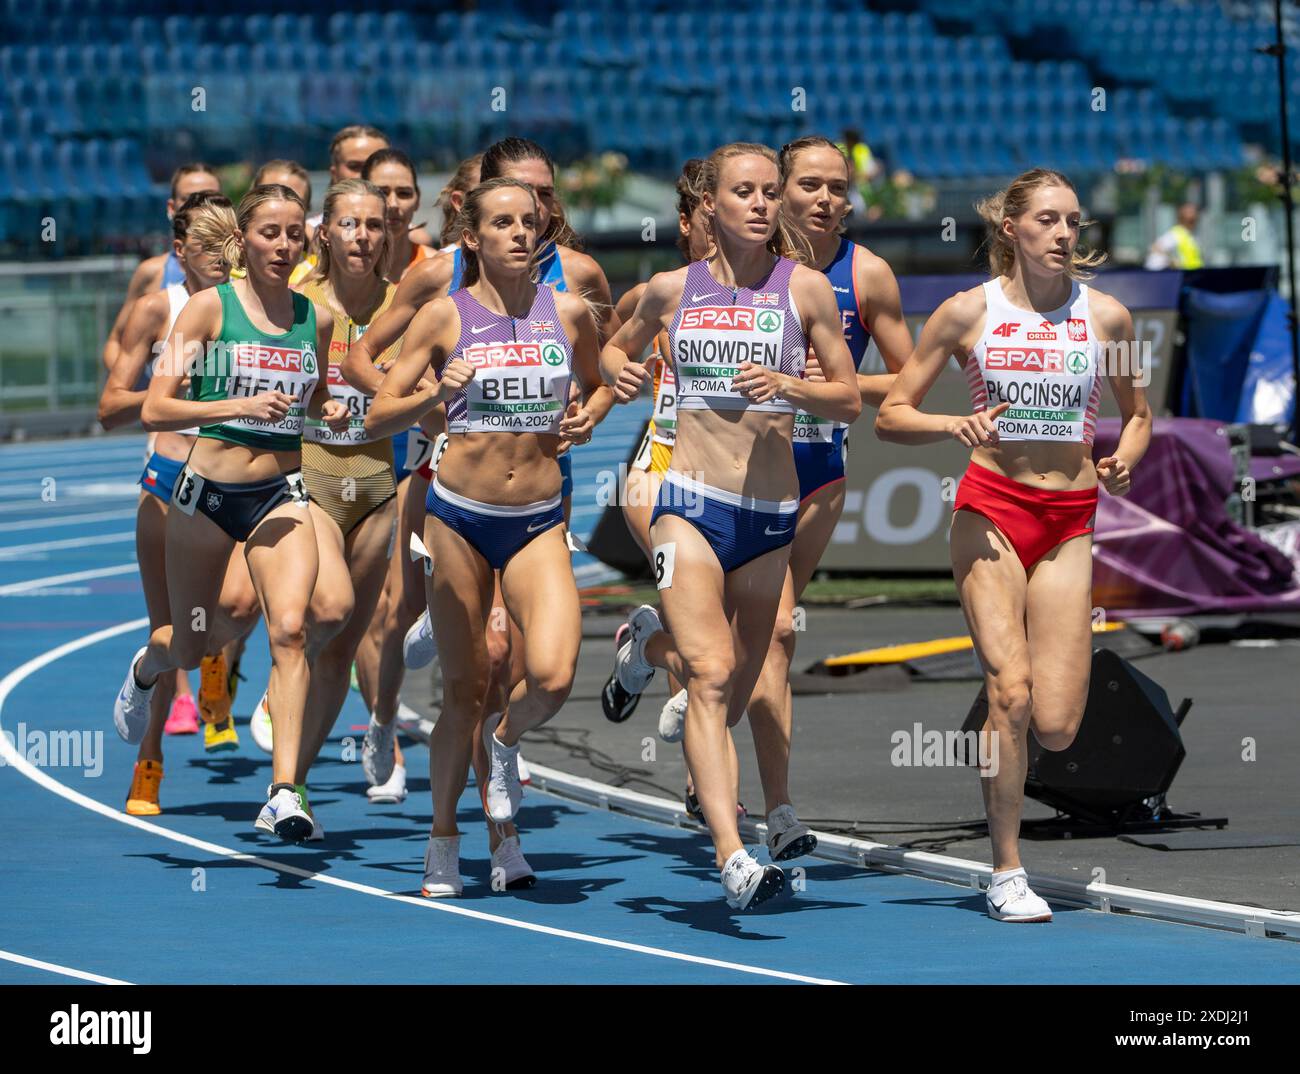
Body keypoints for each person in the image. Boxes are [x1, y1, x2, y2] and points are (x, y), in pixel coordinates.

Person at [876, 167, 1151, 921]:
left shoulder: (1110, 320)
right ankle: (1005, 870)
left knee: (1056, 725)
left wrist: (1126, 455)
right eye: (1049, 221)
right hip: (991, 508)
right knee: (1013, 693)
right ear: (1012, 229)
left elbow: (1138, 414)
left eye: (1074, 222)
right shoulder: (967, 313)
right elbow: (891, 413)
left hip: (1070, 519)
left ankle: (1009, 712)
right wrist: (950, 425)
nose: (1065, 234)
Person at [600, 142, 861, 910]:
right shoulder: (670, 288)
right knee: (711, 679)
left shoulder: (806, 290)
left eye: (768, 192)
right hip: (690, 505)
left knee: (743, 679)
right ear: (708, 205)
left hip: (770, 517)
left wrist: (791, 386)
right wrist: (616, 372)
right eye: (742, 192)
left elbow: (847, 399)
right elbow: (614, 348)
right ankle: (732, 853)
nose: (759, 203)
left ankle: (642, 649)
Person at [365, 176, 610, 897]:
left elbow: (598, 383)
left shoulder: (567, 312)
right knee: (468, 690)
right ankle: (450, 839)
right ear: (472, 237)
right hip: (459, 520)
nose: (519, 233)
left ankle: (506, 749)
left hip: (536, 520)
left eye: (529, 222)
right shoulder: (444, 317)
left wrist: (589, 416)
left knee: (555, 674)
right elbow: (377, 415)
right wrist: (434, 396)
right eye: (501, 223)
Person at [112, 184, 349, 843]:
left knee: (292, 630)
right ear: (244, 241)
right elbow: (157, 408)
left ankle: (283, 791)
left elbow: (319, 394)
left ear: (307, 242)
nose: (283, 244)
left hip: (281, 494)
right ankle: (145, 670)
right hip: (207, 498)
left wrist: (325, 409)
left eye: (294, 233)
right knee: (189, 643)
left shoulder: (314, 318)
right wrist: (234, 408)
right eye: (270, 233)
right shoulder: (207, 313)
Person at [737, 135, 912, 861]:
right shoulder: (742, 262)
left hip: (818, 472)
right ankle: (655, 651)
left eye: (837, 187)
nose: (825, 199)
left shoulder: (866, 274)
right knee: (749, 634)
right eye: (810, 184)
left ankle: (776, 808)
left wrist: (824, 385)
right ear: (780, 188)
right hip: (735, 471)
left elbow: (909, 379)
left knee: (772, 633)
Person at [244, 179, 405, 839]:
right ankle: (277, 676)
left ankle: (291, 787)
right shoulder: (299, 305)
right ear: (325, 234)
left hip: (378, 484)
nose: (363, 236)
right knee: (328, 610)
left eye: (374, 225)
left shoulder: (408, 306)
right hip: (309, 475)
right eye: (349, 224)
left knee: (339, 651)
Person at [97, 191, 260, 811]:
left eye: (230, 245)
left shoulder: (257, 307)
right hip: (171, 477)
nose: (221, 257)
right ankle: (149, 763)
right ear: (179, 251)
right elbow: (110, 406)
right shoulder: (155, 309)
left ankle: (212, 657)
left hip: (241, 478)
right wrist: (174, 393)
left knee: (241, 607)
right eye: (206, 247)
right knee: (170, 631)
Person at [102, 163, 223, 375]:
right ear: (171, 208)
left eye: (209, 199)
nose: (199, 207)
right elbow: (115, 343)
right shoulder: (152, 273)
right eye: (188, 199)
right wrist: (147, 393)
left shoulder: (241, 272)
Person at [363, 148, 438, 283]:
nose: (393, 204)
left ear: (417, 199)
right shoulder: (338, 272)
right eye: (381, 193)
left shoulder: (439, 270)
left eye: (404, 193)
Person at [1143, 202, 1203, 270]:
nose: (1196, 215)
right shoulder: (1176, 234)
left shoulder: (1192, 236)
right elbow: (1154, 248)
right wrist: (1171, 261)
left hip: (1193, 275)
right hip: (1183, 277)